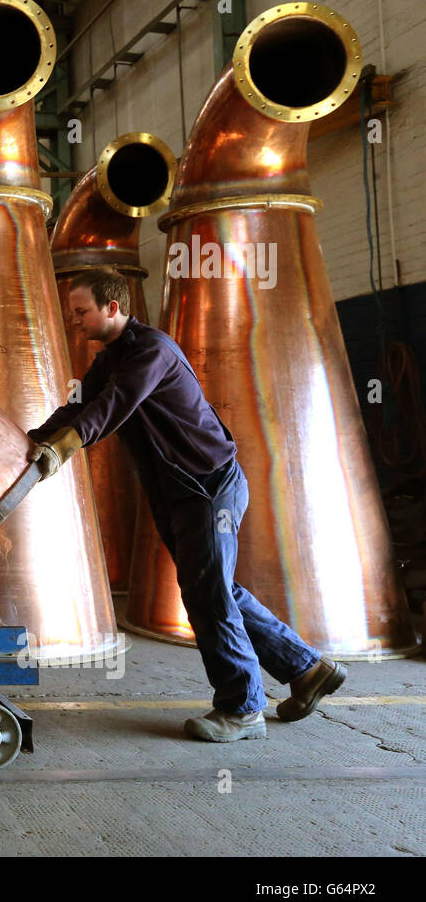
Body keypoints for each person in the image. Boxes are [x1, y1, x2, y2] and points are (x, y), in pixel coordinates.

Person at [28, 267, 346, 743]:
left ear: (112, 308)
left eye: (81, 311)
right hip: (179, 491)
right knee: (217, 589)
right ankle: (307, 669)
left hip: (209, 487)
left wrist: (62, 449)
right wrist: (30, 439)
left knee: (208, 596)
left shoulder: (150, 351)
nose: (74, 320)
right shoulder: (112, 358)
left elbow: (111, 407)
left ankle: (242, 709)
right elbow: (80, 406)